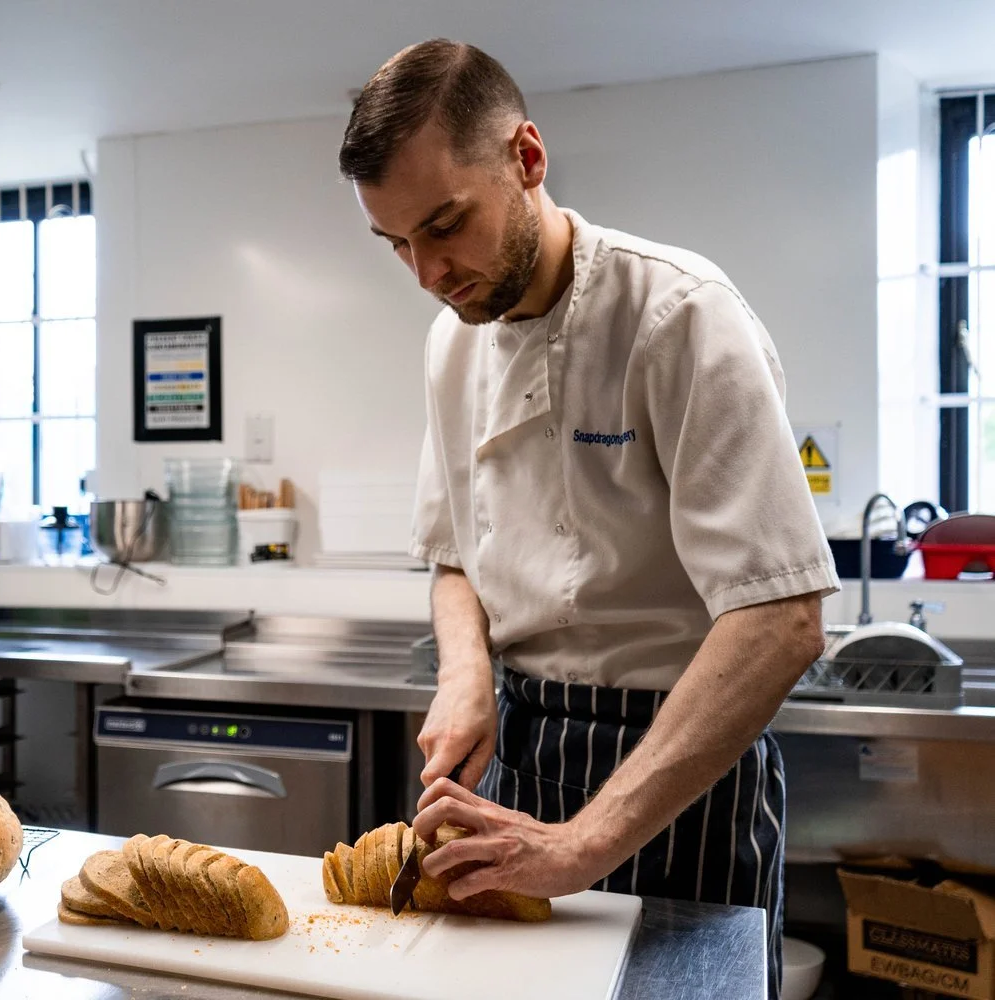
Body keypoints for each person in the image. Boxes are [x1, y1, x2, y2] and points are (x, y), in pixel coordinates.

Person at [339, 39, 838, 999]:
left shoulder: (681, 315)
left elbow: (783, 618)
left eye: (445, 225)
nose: (427, 273)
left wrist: (586, 843)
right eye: (398, 244)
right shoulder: (453, 343)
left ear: (527, 159)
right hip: (525, 753)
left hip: (682, 772)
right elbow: (452, 556)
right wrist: (467, 673)